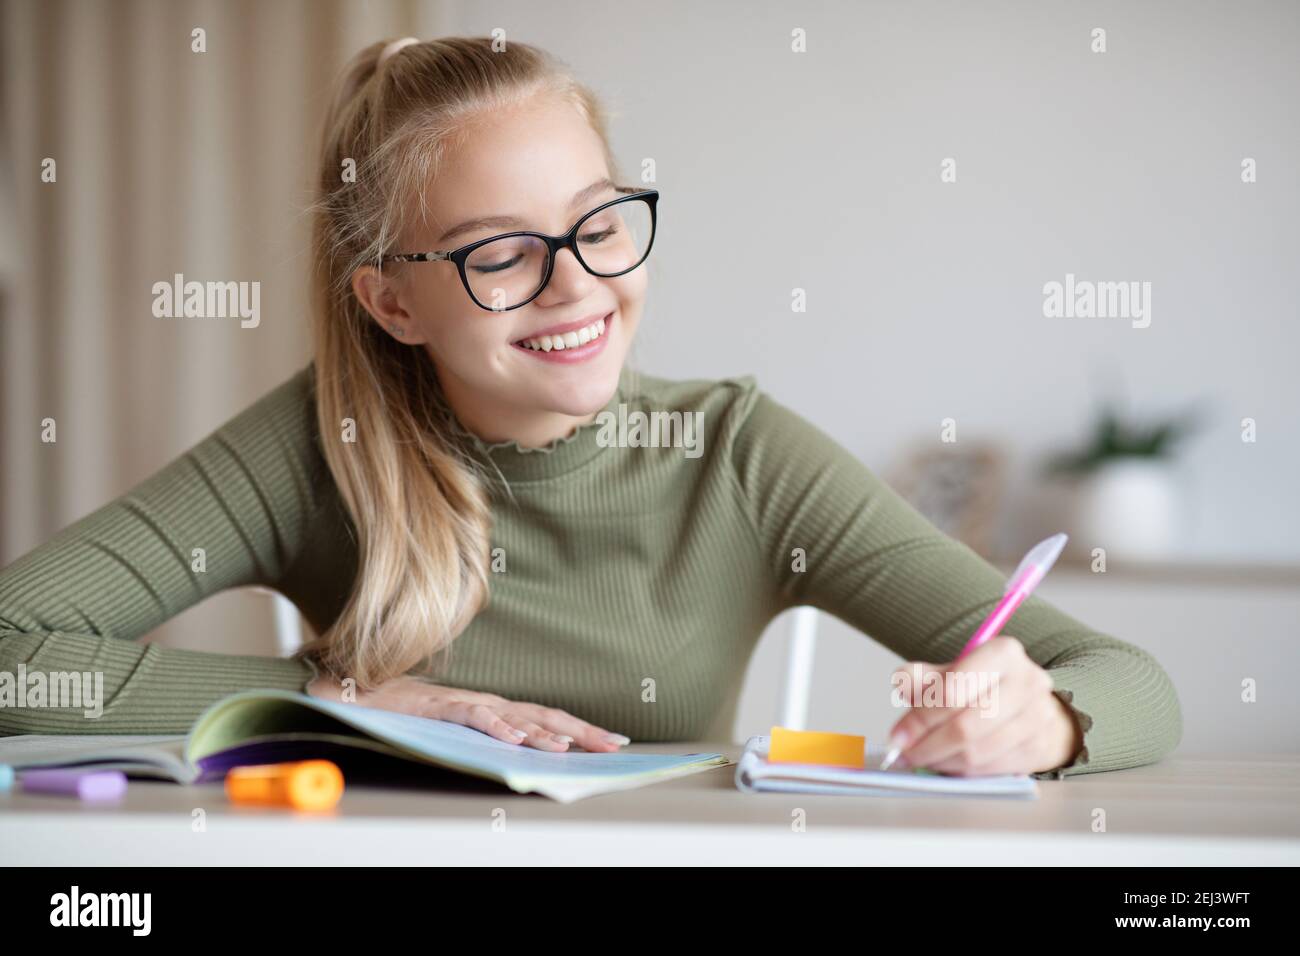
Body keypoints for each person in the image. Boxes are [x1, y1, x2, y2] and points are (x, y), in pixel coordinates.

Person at [0, 36, 1181, 777]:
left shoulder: (737, 454)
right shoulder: (320, 441)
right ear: (392, 302)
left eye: (598, 222)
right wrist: (331, 702)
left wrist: (1050, 724)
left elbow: (1134, 681)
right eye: (500, 253)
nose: (579, 283)